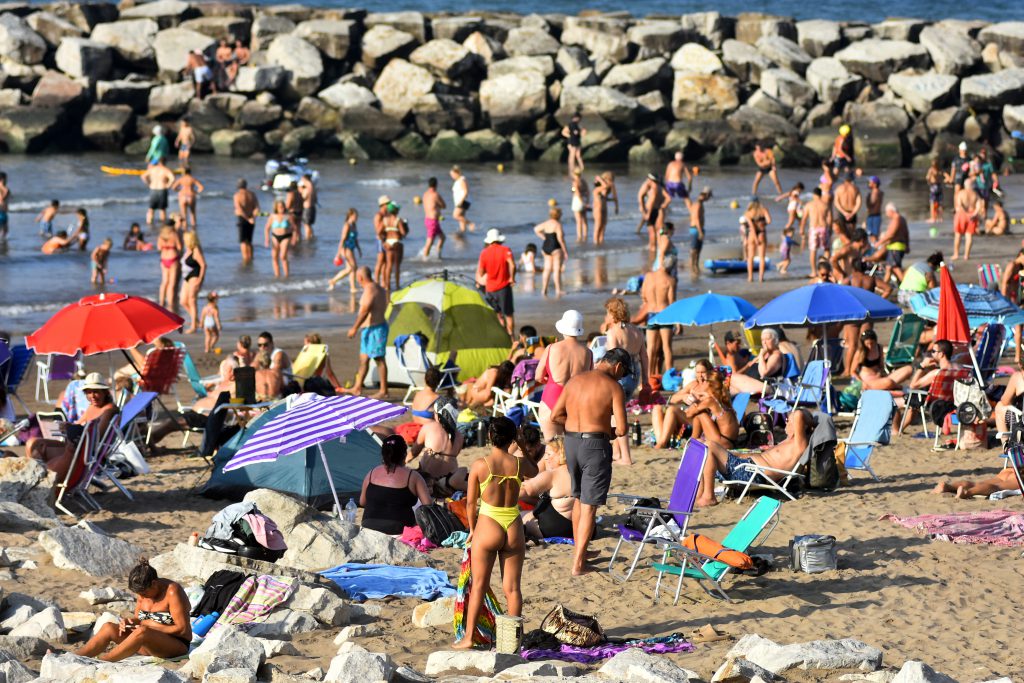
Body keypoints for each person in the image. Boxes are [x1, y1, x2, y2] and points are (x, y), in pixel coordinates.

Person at [550, 347, 629, 575]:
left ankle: (580, 553)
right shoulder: (613, 386)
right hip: (595, 446)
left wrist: (576, 423)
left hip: (571, 443)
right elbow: (622, 429)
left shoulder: (575, 381)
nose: (621, 377)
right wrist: (606, 430)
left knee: (577, 498)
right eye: (622, 373)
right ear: (617, 367)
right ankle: (578, 565)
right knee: (589, 505)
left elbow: (556, 415)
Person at [454, 417, 526, 649]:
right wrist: (522, 445)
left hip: (488, 524)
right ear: (511, 438)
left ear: (489, 437)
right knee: (513, 589)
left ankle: (468, 638)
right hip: (513, 525)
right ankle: (511, 643)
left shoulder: (480, 464)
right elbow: (534, 469)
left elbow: (470, 503)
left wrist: (473, 529)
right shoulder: (518, 463)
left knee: (479, 585)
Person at [73, 557, 191, 661]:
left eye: (144, 593)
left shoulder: (172, 591)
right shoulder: (141, 593)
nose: (142, 597)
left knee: (142, 632)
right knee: (108, 627)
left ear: (154, 583)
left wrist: (150, 625)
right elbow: (139, 619)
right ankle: (75, 657)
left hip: (175, 645)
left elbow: (181, 629)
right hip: (147, 643)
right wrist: (129, 622)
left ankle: (104, 661)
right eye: (139, 594)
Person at [696, 408, 814, 507]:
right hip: (746, 468)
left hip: (753, 474)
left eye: (789, 420)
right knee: (699, 444)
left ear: (801, 425)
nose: (786, 422)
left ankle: (709, 496)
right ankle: (700, 493)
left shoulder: (799, 445)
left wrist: (811, 421)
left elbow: (799, 414)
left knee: (709, 445)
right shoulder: (785, 442)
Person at [25, 372, 117, 481]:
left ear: (105, 392)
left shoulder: (108, 410)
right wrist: (69, 426)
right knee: (32, 442)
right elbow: (79, 423)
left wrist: (74, 430)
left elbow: (96, 437)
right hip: (76, 446)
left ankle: (41, 479)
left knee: (37, 449)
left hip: (83, 454)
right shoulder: (93, 407)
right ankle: (39, 477)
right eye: (88, 392)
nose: (92, 396)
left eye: (96, 392)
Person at [603, 297, 648, 465]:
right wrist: (646, 380)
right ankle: (616, 452)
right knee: (619, 410)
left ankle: (626, 457)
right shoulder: (637, 331)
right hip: (634, 373)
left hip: (620, 373)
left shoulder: (613, 332)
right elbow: (644, 356)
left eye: (607, 313)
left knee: (616, 414)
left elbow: (612, 358)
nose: (606, 316)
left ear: (613, 314)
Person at [535, 310, 593, 441]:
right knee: (573, 450)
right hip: (576, 401)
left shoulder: (551, 348)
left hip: (553, 397)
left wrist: (548, 380)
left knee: (552, 449)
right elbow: (589, 380)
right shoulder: (588, 352)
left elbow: (538, 376)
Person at [359, 434, 432, 535]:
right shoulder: (413, 476)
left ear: (383, 454)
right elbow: (428, 505)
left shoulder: (371, 473)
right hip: (399, 529)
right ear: (404, 454)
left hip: (368, 526)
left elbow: (362, 502)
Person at [410, 396, 467, 496]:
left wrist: (403, 462)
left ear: (437, 414)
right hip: (446, 484)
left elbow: (414, 452)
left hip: (427, 482)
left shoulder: (429, 427)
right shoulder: (459, 435)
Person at [521, 436, 574, 541]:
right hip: (582, 528)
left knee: (520, 516)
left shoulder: (553, 474)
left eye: (549, 454)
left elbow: (527, 490)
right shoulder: (581, 471)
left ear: (561, 454)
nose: (545, 458)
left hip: (557, 529)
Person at [347, 267, 389, 399]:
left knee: (378, 359)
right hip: (369, 329)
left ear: (360, 278)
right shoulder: (378, 288)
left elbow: (365, 310)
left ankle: (384, 390)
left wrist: (354, 327)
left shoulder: (371, 290)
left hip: (376, 329)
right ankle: (357, 387)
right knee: (364, 359)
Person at [651, 358, 713, 448]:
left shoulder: (712, 386)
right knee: (657, 408)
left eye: (703, 372)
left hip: (699, 420)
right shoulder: (694, 384)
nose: (700, 376)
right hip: (688, 417)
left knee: (672, 410)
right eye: (697, 372)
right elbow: (672, 399)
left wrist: (698, 400)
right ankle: (661, 441)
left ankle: (662, 443)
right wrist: (683, 397)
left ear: (710, 372)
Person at [633, 255, 677, 375]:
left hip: (652, 313)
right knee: (667, 348)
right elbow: (672, 302)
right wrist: (678, 322)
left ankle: (648, 376)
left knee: (650, 348)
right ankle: (669, 375)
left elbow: (644, 295)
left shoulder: (649, 276)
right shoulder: (670, 280)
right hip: (665, 314)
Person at [476, 228, 516, 336]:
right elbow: (512, 264)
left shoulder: (484, 253)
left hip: (490, 289)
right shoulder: (506, 250)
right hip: (504, 287)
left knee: (498, 314)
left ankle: (502, 335)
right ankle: (511, 336)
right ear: (500, 239)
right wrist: (512, 277)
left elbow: (481, 273)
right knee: (508, 314)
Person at [688, 369, 739, 449]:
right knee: (701, 412)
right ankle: (693, 442)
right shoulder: (720, 399)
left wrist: (695, 401)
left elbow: (689, 414)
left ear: (710, 384)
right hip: (729, 442)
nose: (701, 383)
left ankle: (691, 443)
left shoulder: (710, 401)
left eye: (704, 381)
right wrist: (699, 396)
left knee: (701, 414)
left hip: (723, 443)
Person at [729, 327, 784, 395]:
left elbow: (764, 373)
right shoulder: (767, 354)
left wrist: (761, 355)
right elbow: (751, 364)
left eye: (767, 339)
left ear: (775, 340)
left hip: (767, 387)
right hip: (755, 383)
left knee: (731, 378)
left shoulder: (776, 355)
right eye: (762, 340)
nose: (764, 342)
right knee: (731, 388)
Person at [533, 207, 568, 297]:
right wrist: (565, 250)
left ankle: (544, 289)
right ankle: (558, 290)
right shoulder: (557, 224)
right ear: (559, 215)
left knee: (547, 269)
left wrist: (544, 237)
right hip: (555, 247)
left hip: (546, 247)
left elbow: (536, 229)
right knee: (556, 270)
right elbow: (560, 239)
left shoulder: (546, 223)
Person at [871, 202, 910, 284]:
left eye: (887, 212)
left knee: (895, 267)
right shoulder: (902, 219)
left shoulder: (896, 219)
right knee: (889, 268)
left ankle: (906, 285)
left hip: (895, 247)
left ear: (891, 211)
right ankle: (884, 286)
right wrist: (907, 245)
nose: (886, 214)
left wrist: (879, 243)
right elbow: (906, 233)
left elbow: (890, 234)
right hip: (898, 246)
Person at [179, 231, 206, 333]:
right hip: (187, 277)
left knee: (191, 300)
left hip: (195, 276)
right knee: (183, 301)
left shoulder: (196, 250)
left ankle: (194, 326)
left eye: (185, 239)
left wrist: (200, 279)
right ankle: (197, 321)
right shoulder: (188, 249)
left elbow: (203, 265)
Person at [932, 469, 1022, 499]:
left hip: (1010, 469)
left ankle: (949, 487)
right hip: (1020, 474)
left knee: (977, 483)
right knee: (997, 487)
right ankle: (968, 492)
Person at [328, 208, 360, 292]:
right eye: (355, 216)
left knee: (350, 269)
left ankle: (351, 287)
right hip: (346, 248)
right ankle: (334, 281)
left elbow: (355, 239)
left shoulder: (354, 225)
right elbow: (342, 239)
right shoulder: (347, 225)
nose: (357, 218)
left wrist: (359, 249)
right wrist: (338, 253)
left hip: (352, 248)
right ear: (351, 215)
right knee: (353, 267)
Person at [801, 187, 831, 274]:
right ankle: (826, 270)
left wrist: (802, 229)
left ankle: (813, 271)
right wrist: (830, 230)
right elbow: (829, 219)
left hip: (813, 228)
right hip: (823, 228)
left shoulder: (809, 204)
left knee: (813, 250)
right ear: (821, 195)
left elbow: (804, 219)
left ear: (814, 195)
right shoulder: (825, 205)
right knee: (826, 249)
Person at [638, 173, 671, 250]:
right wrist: (663, 206)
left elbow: (651, 200)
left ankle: (653, 248)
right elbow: (669, 198)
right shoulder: (661, 187)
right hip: (658, 210)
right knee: (660, 231)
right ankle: (660, 245)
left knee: (651, 232)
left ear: (650, 179)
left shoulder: (653, 188)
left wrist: (647, 213)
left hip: (651, 210)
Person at [264, 199, 295, 279]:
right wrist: (267, 239)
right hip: (275, 236)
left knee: (283, 256)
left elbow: (294, 228)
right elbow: (267, 228)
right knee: (274, 256)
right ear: (276, 208)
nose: (281, 208)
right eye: (280, 207)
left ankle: (287, 275)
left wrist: (294, 238)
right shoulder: (272, 216)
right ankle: (277, 276)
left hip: (286, 236)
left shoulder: (288, 216)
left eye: (283, 207)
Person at [953, 178, 982, 261]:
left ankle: (956, 254)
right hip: (972, 215)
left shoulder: (961, 193)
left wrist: (965, 213)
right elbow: (979, 206)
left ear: (965, 185)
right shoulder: (975, 194)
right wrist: (974, 214)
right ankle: (966, 255)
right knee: (969, 235)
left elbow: (959, 205)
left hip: (961, 215)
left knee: (958, 235)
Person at [233, 178, 260, 263]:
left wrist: (247, 219)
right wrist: (252, 218)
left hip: (242, 219)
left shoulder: (237, 195)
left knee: (243, 241)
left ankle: (245, 260)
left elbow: (239, 209)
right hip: (251, 218)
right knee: (249, 240)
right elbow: (257, 208)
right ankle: (251, 258)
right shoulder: (252, 194)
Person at [142, 158, 174, 226]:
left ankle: (149, 224)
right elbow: (172, 178)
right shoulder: (165, 169)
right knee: (162, 210)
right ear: (165, 162)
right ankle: (163, 225)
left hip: (153, 189)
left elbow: (143, 176)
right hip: (162, 189)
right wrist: (168, 185)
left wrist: (148, 183)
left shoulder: (152, 169)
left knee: (151, 209)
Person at [156, 225, 182, 312]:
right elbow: (179, 247)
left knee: (164, 282)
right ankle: (170, 304)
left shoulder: (160, 236)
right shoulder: (174, 234)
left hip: (163, 259)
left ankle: (161, 302)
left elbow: (159, 248)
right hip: (173, 258)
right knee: (171, 283)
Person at [744, 199, 771, 283]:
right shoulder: (764, 210)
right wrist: (763, 224)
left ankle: (750, 277)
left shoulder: (748, 212)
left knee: (750, 258)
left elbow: (751, 226)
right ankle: (761, 278)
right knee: (762, 257)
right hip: (762, 233)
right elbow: (769, 221)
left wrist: (755, 238)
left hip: (752, 235)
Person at [421, 176, 446, 259]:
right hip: (433, 221)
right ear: (436, 185)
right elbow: (444, 205)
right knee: (430, 241)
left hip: (427, 219)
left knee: (442, 237)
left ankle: (438, 255)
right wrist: (438, 206)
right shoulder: (435, 195)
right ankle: (425, 258)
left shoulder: (425, 194)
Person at [171, 165, 204, 230]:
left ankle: (184, 230)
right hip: (191, 196)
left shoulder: (181, 179)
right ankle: (193, 230)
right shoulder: (192, 179)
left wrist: (179, 191)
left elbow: (173, 187)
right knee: (192, 213)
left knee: (183, 215)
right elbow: (201, 188)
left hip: (183, 196)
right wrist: (195, 192)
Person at [833, 172, 862, 243]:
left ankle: (843, 248)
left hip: (842, 213)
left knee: (842, 233)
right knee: (852, 234)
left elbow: (836, 203)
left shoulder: (839, 188)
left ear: (844, 179)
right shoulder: (855, 188)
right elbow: (859, 203)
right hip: (852, 212)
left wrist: (844, 212)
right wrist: (852, 213)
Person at [591, 171, 618, 246]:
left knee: (603, 226)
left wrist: (615, 204)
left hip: (604, 208)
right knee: (598, 226)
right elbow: (605, 186)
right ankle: (596, 243)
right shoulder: (596, 190)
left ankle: (601, 242)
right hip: (597, 209)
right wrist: (599, 179)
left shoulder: (604, 189)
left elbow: (606, 197)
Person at [688, 188, 710, 276]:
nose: (708, 199)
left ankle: (695, 266)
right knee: (694, 249)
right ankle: (693, 267)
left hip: (697, 228)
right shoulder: (698, 205)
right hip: (696, 229)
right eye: (708, 197)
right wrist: (700, 231)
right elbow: (696, 218)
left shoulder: (698, 203)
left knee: (698, 250)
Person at [450, 166, 475, 233]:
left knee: (455, 215)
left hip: (463, 201)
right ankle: (462, 232)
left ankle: (470, 223)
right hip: (461, 201)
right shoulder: (458, 181)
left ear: (457, 173)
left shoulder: (462, 180)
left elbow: (466, 191)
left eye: (452, 174)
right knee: (461, 217)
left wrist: (461, 201)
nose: (452, 176)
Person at [372, 195, 391, 283]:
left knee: (386, 262)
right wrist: (383, 241)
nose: (389, 205)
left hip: (387, 239)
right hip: (380, 240)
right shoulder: (379, 215)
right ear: (383, 204)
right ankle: (376, 281)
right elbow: (378, 231)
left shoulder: (387, 214)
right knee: (380, 261)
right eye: (388, 203)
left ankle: (384, 282)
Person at [561, 111, 586, 175]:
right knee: (572, 155)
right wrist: (570, 136)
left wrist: (582, 132)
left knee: (578, 155)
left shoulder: (578, 125)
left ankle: (582, 168)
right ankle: (571, 168)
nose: (579, 119)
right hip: (572, 142)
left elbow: (582, 133)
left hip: (577, 141)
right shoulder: (571, 124)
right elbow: (563, 132)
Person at [570, 169, 589, 242]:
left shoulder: (575, 182)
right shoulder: (583, 181)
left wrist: (582, 203)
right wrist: (586, 201)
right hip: (584, 198)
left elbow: (577, 193)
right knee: (584, 219)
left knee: (578, 221)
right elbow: (588, 191)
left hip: (578, 201)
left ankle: (579, 237)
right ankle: (585, 236)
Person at [865, 176, 884, 244]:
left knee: (872, 235)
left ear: (875, 184)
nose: (869, 184)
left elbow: (871, 203)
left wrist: (867, 199)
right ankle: (876, 247)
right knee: (875, 235)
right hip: (877, 215)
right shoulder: (880, 192)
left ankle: (874, 249)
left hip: (873, 216)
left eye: (870, 182)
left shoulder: (874, 192)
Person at [298, 172, 317, 240]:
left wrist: (300, 190)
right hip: (313, 207)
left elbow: (304, 197)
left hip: (307, 208)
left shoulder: (307, 188)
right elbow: (315, 199)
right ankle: (312, 237)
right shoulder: (312, 186)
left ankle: (308, 239)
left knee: (306, 225)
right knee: (309, 225)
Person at [926, 158, 944, 224]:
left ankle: (932, 218)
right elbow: (942, 177)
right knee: (940, 203)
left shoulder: (931, 170)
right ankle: (940, 218)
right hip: (939, 186)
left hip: (933, 187)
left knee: (932, 203)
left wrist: (929, 181)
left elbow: (927, 177)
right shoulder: (940, 170)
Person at [0, 171, 10, 241]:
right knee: (3, 228)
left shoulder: (4, 188)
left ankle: (2, 242)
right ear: (2, 179)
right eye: (6, 179)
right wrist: (6, 192)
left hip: (4, 211)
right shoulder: (3, 189)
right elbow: (1, 199)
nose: (7, 180)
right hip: (1, 211)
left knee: (5, 229)